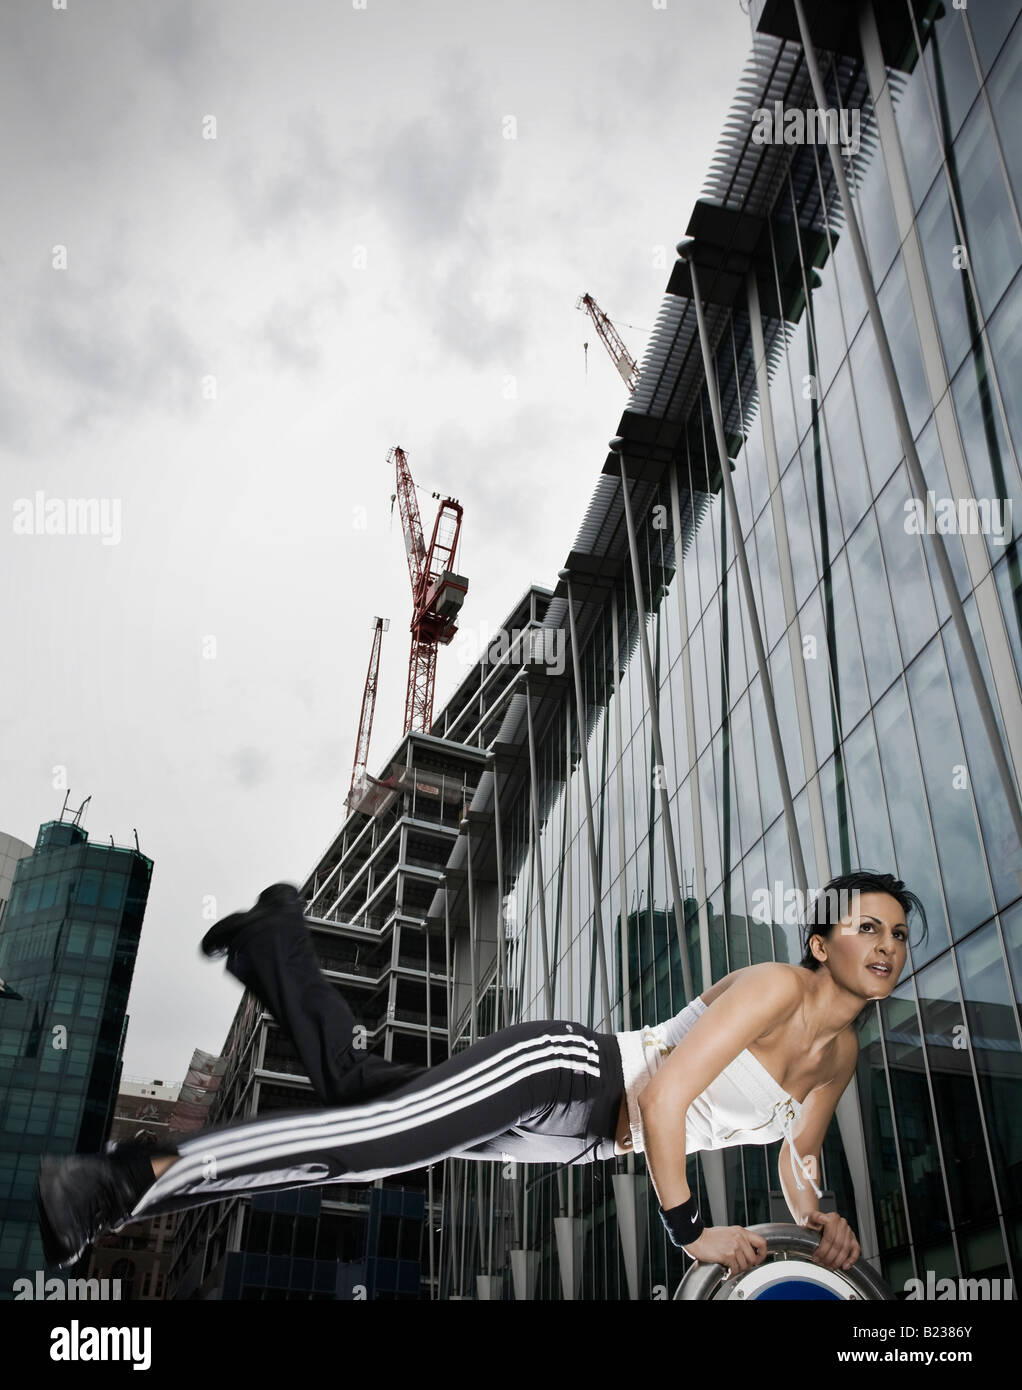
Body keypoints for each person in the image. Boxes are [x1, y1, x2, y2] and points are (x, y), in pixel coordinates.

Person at [37, 869, 926, 1281]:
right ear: (820, 944)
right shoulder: (773, 989)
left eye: (896, 934)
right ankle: (122, 1178)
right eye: (866, 928)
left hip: (569, 1144)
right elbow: (664, 1094)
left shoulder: (837, 1056)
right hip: (565, 1075)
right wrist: (690, 1229)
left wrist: (818, 1216)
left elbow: (799, 1153)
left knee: (357, 1103)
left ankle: (276, 943)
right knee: (370, 1146)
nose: (884, 946)